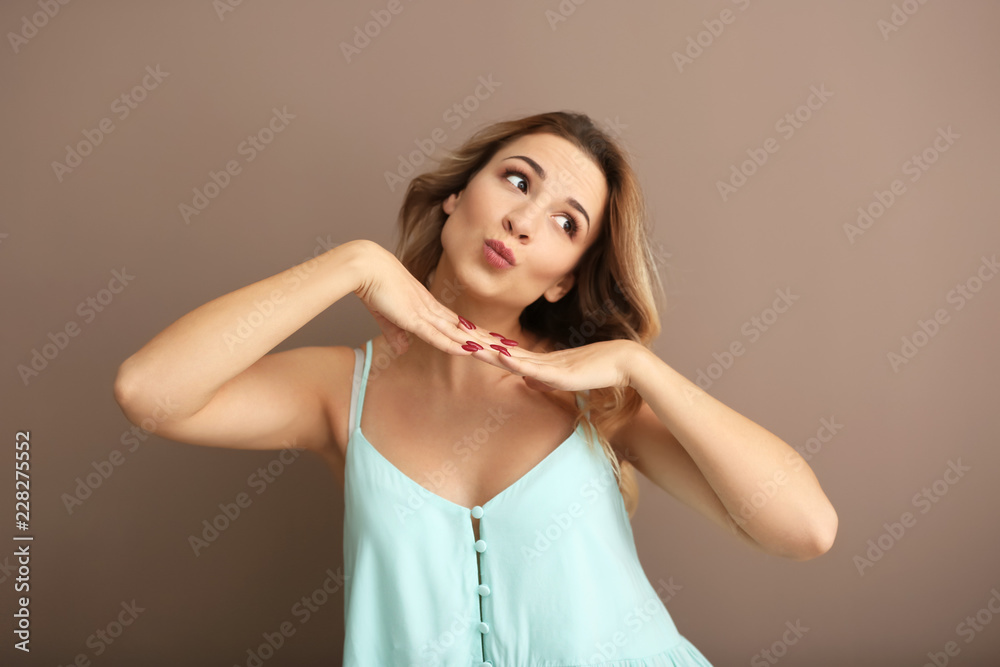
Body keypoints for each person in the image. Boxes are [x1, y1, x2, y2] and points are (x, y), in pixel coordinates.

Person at [114, 110, 837, 666]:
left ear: (563, 278)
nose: (523, 219)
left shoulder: (598, 400)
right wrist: (352, 264)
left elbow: (807, 529)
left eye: (565, 222)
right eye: (518, 180)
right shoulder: (340, 390)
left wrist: (638, 366)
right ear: (457, 197)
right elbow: (148, 390)